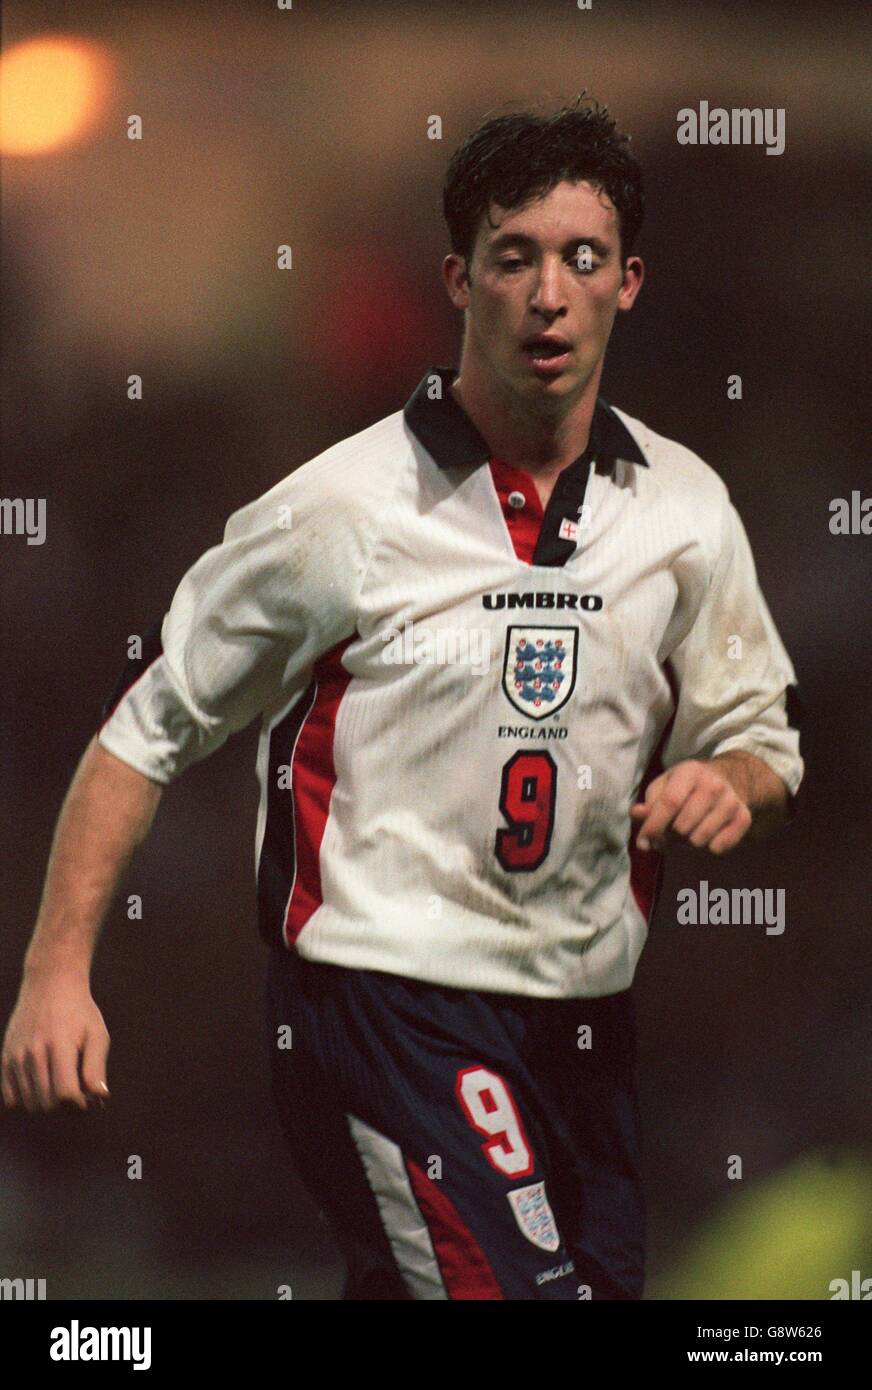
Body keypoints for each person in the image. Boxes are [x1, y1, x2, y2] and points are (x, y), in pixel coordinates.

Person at [2, 99, 803, 1300]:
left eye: (580, 258)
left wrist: (728, 781)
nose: (546, 293)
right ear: (456, 279)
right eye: (512, 257)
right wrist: (56, 972)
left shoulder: (685, 510)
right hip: (385, 1007)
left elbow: (763, 741)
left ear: (627, 283)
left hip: (583, 1016)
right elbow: (145, 731)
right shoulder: (338, 511)